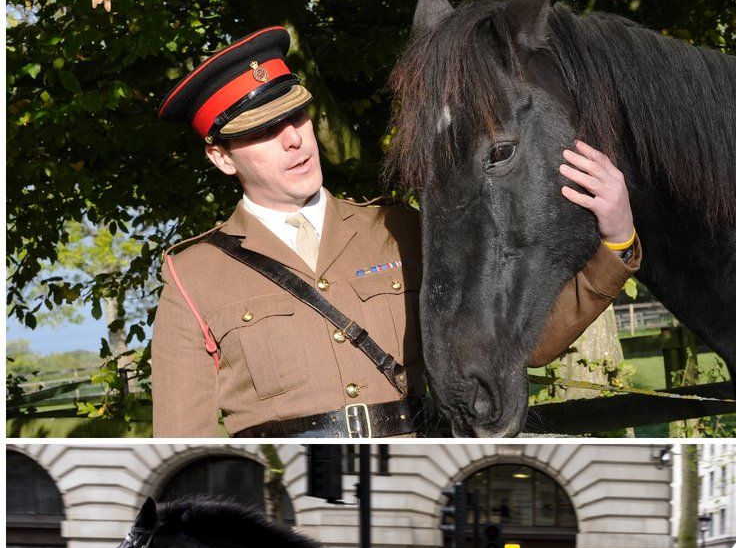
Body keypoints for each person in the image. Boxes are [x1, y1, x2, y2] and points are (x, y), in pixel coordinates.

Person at [153, 26, 640, 438]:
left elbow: (526, 345)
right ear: (221, 157)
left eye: (296, 116)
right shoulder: (194, 276)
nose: (294, 140)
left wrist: (616, 243)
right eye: (262, 131)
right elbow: (180, 445)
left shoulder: (400, 229)